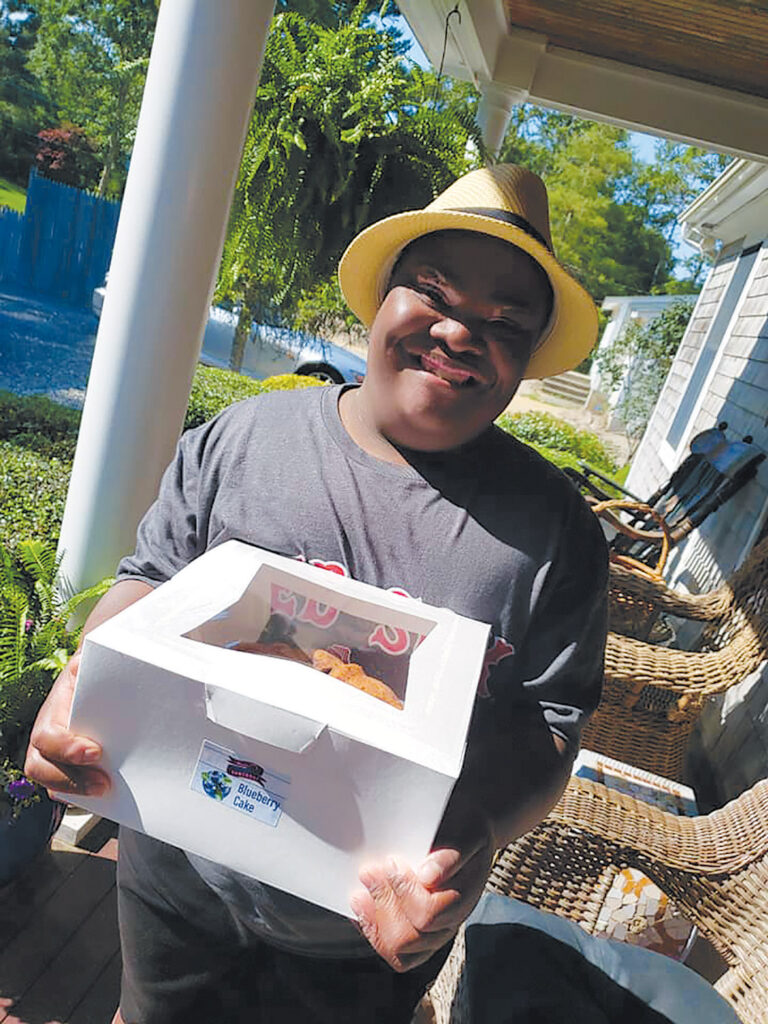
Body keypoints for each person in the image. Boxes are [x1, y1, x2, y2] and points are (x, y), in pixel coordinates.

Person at [25, 164, 608, 1023]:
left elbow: (549, 724)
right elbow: (149, 580)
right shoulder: (245, 439)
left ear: (525, 359)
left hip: (363, 933)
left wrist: (476, 829)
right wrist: (87, 679)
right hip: (175, 877)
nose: (456, 331)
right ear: (381, 299)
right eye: (433, 291)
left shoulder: (555, 535)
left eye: (504, 323)